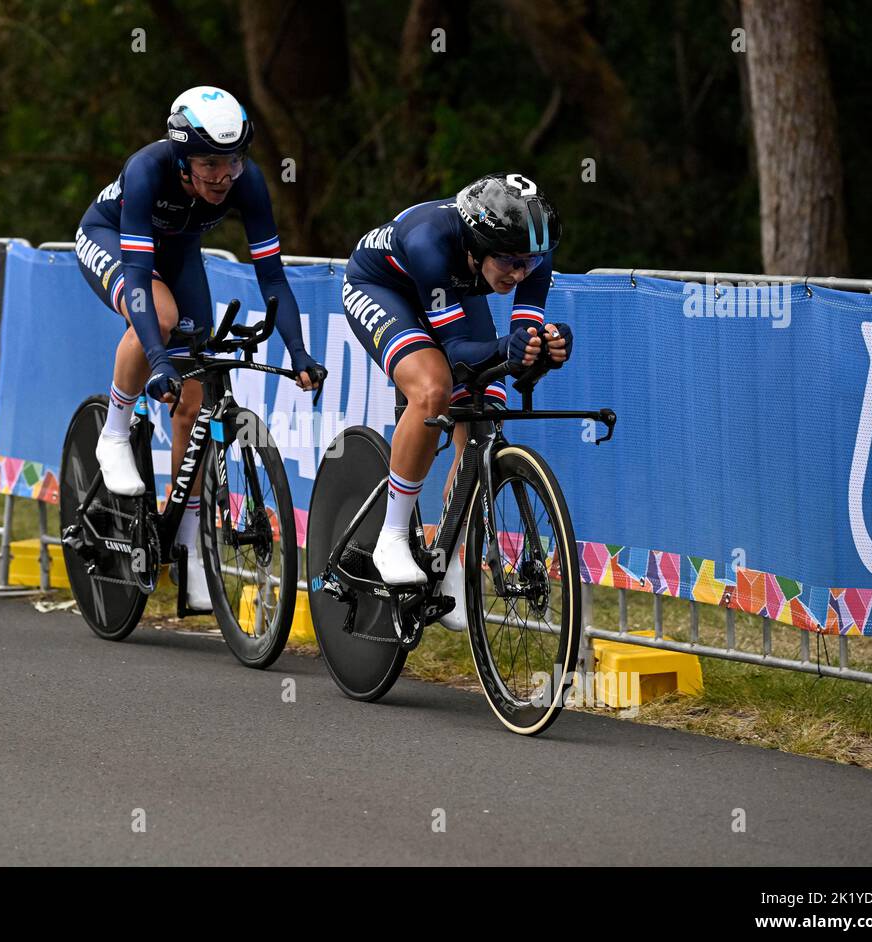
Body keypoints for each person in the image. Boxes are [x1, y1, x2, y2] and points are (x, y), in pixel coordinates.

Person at [76, 85, 326, 611]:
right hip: (110, 243)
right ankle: (115, 432)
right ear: (183, 157)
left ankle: (186, 548)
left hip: (180, 255)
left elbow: (274, 279)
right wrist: (159, 358)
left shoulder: (248, 183)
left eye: (232, 161)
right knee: (161, 321)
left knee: (194, 401)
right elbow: (140, 279)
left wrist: (298, 351)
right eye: (209, 162)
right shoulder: (148, 170)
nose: (221, 175)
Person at [340, 172, 572, 629]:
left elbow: (519, 346)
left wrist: (548, 347)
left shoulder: (527, 253)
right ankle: (391, 537)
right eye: (508, 261)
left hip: (453, 292)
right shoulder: (431, 240)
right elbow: (458, 354)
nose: (520, 273)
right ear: (476, 245)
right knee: (433, 390)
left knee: (486, 416)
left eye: (529, 262)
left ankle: (445, 561)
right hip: (384, 287)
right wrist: (507, 348)